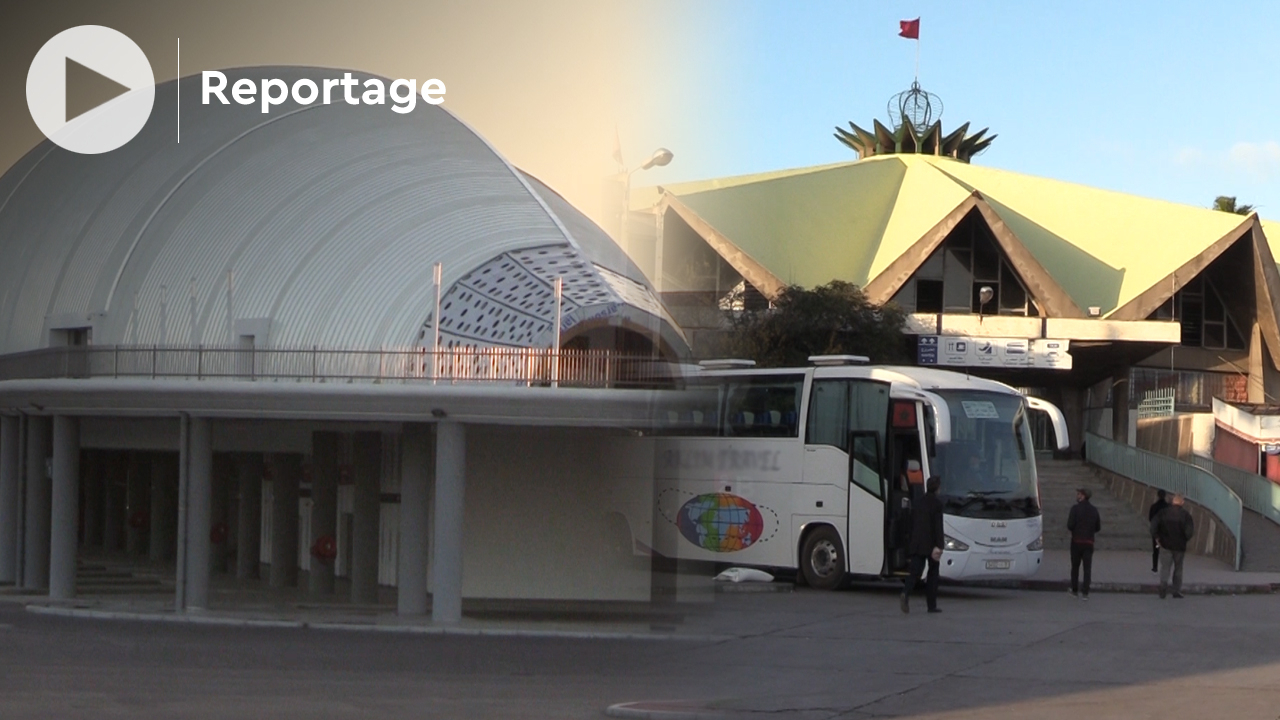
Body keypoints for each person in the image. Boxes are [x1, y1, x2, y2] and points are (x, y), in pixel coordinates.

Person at [901, 476, 945, 614]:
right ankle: (931, 605)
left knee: (914, 572)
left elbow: (911, 522)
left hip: (917, 542)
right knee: (933, 574)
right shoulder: (937, 504)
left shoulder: (918, 502)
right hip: (931, 544)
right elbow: (938, 526)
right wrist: (940, 545)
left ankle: (906, 592)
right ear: (937, 488)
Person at [1151, 493, 1195, 599]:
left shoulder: (1163, 513)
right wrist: (1184, 539)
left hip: (1165, 545)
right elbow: (1189, 532)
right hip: (1179, 546)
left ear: (1172, 501)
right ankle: (1176, 591)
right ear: (1182, 502)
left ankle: (1163, 588)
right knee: (1178, 568)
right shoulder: (1186, 515)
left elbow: (1153, 526)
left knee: (1165, 567)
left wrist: (1157, 538)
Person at [1066, 487, 1101, 599]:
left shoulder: (1075, 509)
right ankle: (1085, 592)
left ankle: (1074, 590)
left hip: (1076, 541)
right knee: (1087, 568)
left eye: (1079, 494)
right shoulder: (1094, 510)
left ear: (1083, 496)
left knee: (1075, 567)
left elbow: (1070, 525)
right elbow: (1098, 527)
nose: (1077, 496)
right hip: (1089, 542)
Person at [1147, 490, 1170, 573]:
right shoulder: (1168, 507)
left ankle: (1155, 566)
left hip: (1157, 532)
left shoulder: (1154, 507)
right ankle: (1166, 566)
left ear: (1158, 495)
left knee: (1156, 548)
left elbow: (1150, 518)